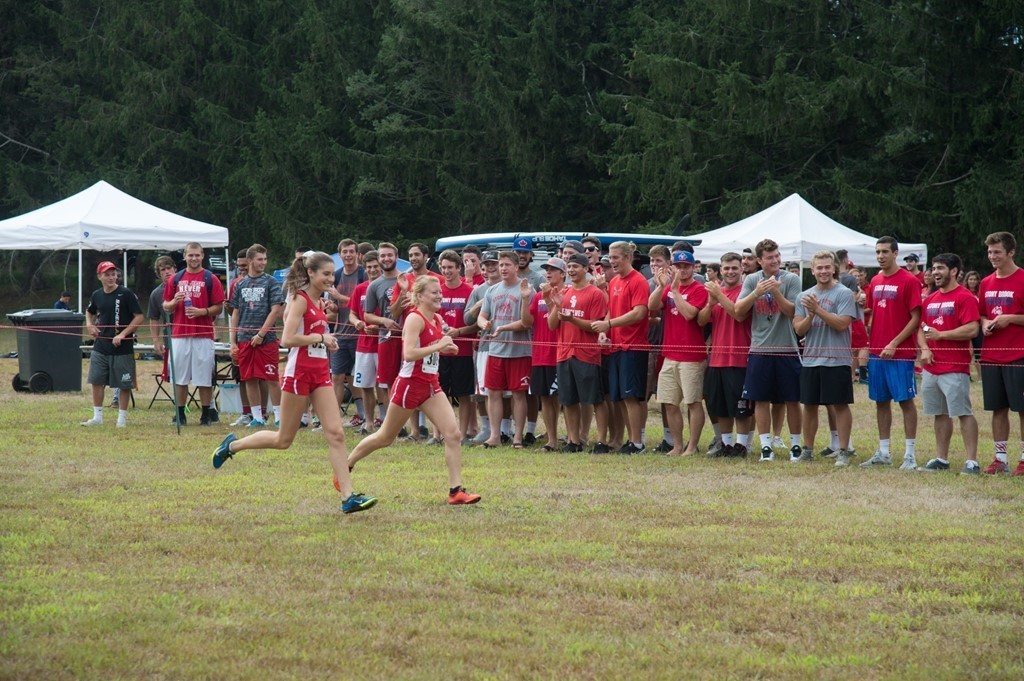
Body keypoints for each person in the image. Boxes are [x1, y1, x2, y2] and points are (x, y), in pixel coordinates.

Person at [212, 252, 377, 514]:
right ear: (310, 273)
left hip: (320, 373)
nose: (330, 278)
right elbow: (287, 340)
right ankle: (232, 446)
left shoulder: (319, 302)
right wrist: (321, 338)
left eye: (331, 274)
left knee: (336, 433)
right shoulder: (299, 300)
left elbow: (314, 336)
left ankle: (348, 497)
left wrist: (327, 340)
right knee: (283, 439)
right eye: (325, 274)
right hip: (298, 374)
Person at [346, 276, 482, 505]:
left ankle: (455, 491)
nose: (440, 295)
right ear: (419, 296)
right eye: (434, 293)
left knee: (453, 434)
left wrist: (448, 348)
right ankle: (346, 465)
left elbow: (432, 349)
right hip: (409, 385)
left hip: (431, 384)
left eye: (440, 292)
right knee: (385, 438)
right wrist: (440, 345)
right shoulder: (413, 320)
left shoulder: (437, 319)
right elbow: (408, 354)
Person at [734, 238, 803, 462]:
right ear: (760, 260)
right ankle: (765, 446)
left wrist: (776, 292)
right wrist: (756, 293)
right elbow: (738, 310)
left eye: (777, 256)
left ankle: (795, 445)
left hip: (787, 349)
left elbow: (793, 312)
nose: (775, 260)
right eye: (769, 258)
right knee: (760, 399)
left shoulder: (792, 279)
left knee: (792, 399)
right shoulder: (752, 279)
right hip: (760, 349)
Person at [860, 236, 922, 470]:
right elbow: (875, 313)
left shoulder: (909, 281)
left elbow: (916, 317)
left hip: (900, 354)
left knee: (905, 401)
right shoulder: (875, 280)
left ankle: (909, 455)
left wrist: (894, 343)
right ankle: (884, 452)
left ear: (895, 253)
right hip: (877, 352)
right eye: (878, 252)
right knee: (880, 401)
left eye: (885, 252)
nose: (880, 256)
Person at [916, 253, 981, 473]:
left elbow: (972, 329)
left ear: (953, 271)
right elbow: (923, 328)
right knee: (939, 414)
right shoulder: (931, 299)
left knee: (963, 412)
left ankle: (971, 462)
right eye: (934, 268)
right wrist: (925, 348)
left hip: (954, 367)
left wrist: (942, 335)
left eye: (940, 268)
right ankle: (941, 459)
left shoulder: (965, 297)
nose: (935, 272)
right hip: (931, 368)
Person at [792, 251, 857, 466]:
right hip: (811, 359)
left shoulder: (844, 293)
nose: (823, 271)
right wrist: (810, 315)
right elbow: (799, 330)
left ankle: (844, 451)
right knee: (809, 405)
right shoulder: (804, 296)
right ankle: (807, 449)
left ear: (834, 268)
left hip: (837, 359)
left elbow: (842, 324)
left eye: (827, 267)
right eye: (819, 268)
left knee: (840, 404)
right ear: (812, 271)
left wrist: (817, 309)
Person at [648, 250, 708, 456]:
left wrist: (674, 290)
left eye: (686, 266)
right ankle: (678, 445)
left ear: (693, 267)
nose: (682, 270)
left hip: (692, 355)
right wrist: (662, 286)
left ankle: (692, 446)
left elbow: (690, 314)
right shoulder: (670, 288)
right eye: (678, 266)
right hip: (670, 354)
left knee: (692, 402)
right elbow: (652, 306)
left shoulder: (699, 289)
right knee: (669, 402)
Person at [592, 241, 649, 454]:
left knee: (631, 396)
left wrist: (609, 324)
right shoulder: (615, 281)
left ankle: (637, 443)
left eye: (616, 257)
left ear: (627, 257)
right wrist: (604, 331)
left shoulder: (638, 281)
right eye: (610, 258)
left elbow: (639, 312)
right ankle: (630, 441)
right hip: (616, 346)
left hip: (633, 347)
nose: (612, 262)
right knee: (622, 398)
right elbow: (610, 311)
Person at [548, 253, 609, 451]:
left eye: (576, 266)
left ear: (586, 269)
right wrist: (556, 306)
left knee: (595, 399)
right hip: (564, 352)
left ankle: (601, 441)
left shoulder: (595, 294)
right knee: (569, 400)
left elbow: (596, 326)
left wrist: (572, 319)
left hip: (587, 354)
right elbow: (551, 325)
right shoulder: (564, 292)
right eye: (570, 267)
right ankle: (573, 441)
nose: (572, 270)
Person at [162, 242, 225, 426]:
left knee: (203, 376)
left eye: (197, 255)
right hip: (179, 334)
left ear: (202, 255)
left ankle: (206, 413)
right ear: (184, 256)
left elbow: (219, 307)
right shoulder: (175, 279)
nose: (194, 258)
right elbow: (165, 305)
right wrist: (173, 302)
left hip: (203, 335)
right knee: (179, 376)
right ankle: (180, 414)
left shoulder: (210, 278)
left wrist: (202, 312)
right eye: (190, 255)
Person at [977, 231, 1024, 475]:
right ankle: (1000, 458)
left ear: (1011, 252)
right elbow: (982, 313)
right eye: (989, 252)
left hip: (1018, 355)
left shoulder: (1022, 279)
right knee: (998, 408)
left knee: (1022, 408)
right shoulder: (985, 283)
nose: (992, 256)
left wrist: (1010, 319)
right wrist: (984, 323)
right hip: (991, 355)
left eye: (997, 252)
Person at [699, 252, 753, 457]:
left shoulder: (745, 291)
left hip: (739, 357)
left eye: (734, 268)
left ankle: (741, 446)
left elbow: (739, 315)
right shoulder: (716, 292)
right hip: (717, 357)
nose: (730, 272)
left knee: (740, 406)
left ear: (741, 269)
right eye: (726, 268)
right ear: (721, 270)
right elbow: (702, 321)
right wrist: (711, 303)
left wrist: (719, 296)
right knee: (719, 405)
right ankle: (727, 445)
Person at [477, 252, 534, 448]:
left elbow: (527, 323)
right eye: (501, 265)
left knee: (518, 394)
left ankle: (517, 436)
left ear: (516, 267)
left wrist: (503, 327)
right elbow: (482, 316)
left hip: (519, 351)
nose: (502, 268)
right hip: (495, 350)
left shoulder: (526, 290)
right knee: (493, 393)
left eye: (507, 265)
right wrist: (484, 324)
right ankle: (494, 436)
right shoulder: (491, 291)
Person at [80, 261, 144, 427]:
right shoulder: (97, 295)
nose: (111, 277)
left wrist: (123, 334)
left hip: (122, 348)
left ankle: (121, 419)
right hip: (101, 345)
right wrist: (90, 324)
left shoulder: (126, 294)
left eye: (113, 274)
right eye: (107, 274)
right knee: (96, 380)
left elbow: (139, 316)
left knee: (124, 383)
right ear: (100, 276)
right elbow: (89, 311)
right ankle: (97, 417)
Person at [229, 243, 285, 428]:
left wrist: (261, 334)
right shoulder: (240, 284)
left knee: (271, 377)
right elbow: (235, 312)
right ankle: (257, 417)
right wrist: (233, 341)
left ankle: (278, 416)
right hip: (244, 338)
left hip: (266, 339)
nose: (263, 263)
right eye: (260, 259)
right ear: (251, 260)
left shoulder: (271, 282)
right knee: (249, 378)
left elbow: (276, 310)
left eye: (265, 259)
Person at [523, 257, 565, 451]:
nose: (548, 273)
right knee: (545, 398)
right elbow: (527, 321)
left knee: (561, 398)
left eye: (553, 270)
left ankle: (576, 437)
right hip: (540, 353)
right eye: (546, 270)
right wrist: (525, 299)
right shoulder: (538, 295)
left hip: (560, 353)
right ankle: (551, 440)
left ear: (563, 274)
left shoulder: (567, 293)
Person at [437, 249, 477, 441]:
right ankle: (438, 433)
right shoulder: (436, 290)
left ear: (459, 268)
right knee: (439, 393)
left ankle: (461, 433)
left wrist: (459, 332)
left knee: (463, 394)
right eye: (443, 268)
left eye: (450, 267)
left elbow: (476, 323)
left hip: (463, 350)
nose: (447, 271)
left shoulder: (470, 291)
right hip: (440, 351)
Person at [327, 239, 367, 427]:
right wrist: (331, 305)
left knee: (357, 377)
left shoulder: (363, 274)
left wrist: (339, 298)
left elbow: (363, 303)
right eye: (345, 252)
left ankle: (362, 415)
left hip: (360, 333)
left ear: (358, 254)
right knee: (337, 376)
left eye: (352, 251)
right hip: (340, 333)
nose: (348, 255)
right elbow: (334, 310)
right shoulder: (335, 275)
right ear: (340, 254)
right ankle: (333, 420)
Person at [349, 251, 386, 433]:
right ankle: (369, 422)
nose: (372, 270)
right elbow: (352, 313)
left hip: (384, 343)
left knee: (384, 385)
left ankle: (386, 421)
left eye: (375, 266)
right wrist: (357, 323)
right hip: (364, 345)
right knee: (365, 385)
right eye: (369, 267)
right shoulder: (360, 289)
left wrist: (378, 326)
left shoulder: (388, 287)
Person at [147, 256, 177, 386]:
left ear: (175, 269)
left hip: (192, 335)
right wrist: (156, 340)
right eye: (162, 270)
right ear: (159, 274)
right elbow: (154, 319)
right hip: (170, 339)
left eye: (169, 268)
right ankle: (180, 405)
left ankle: (209, 404)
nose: (167, 272)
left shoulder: (186, 285)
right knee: (175, 376)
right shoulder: (156, 293)